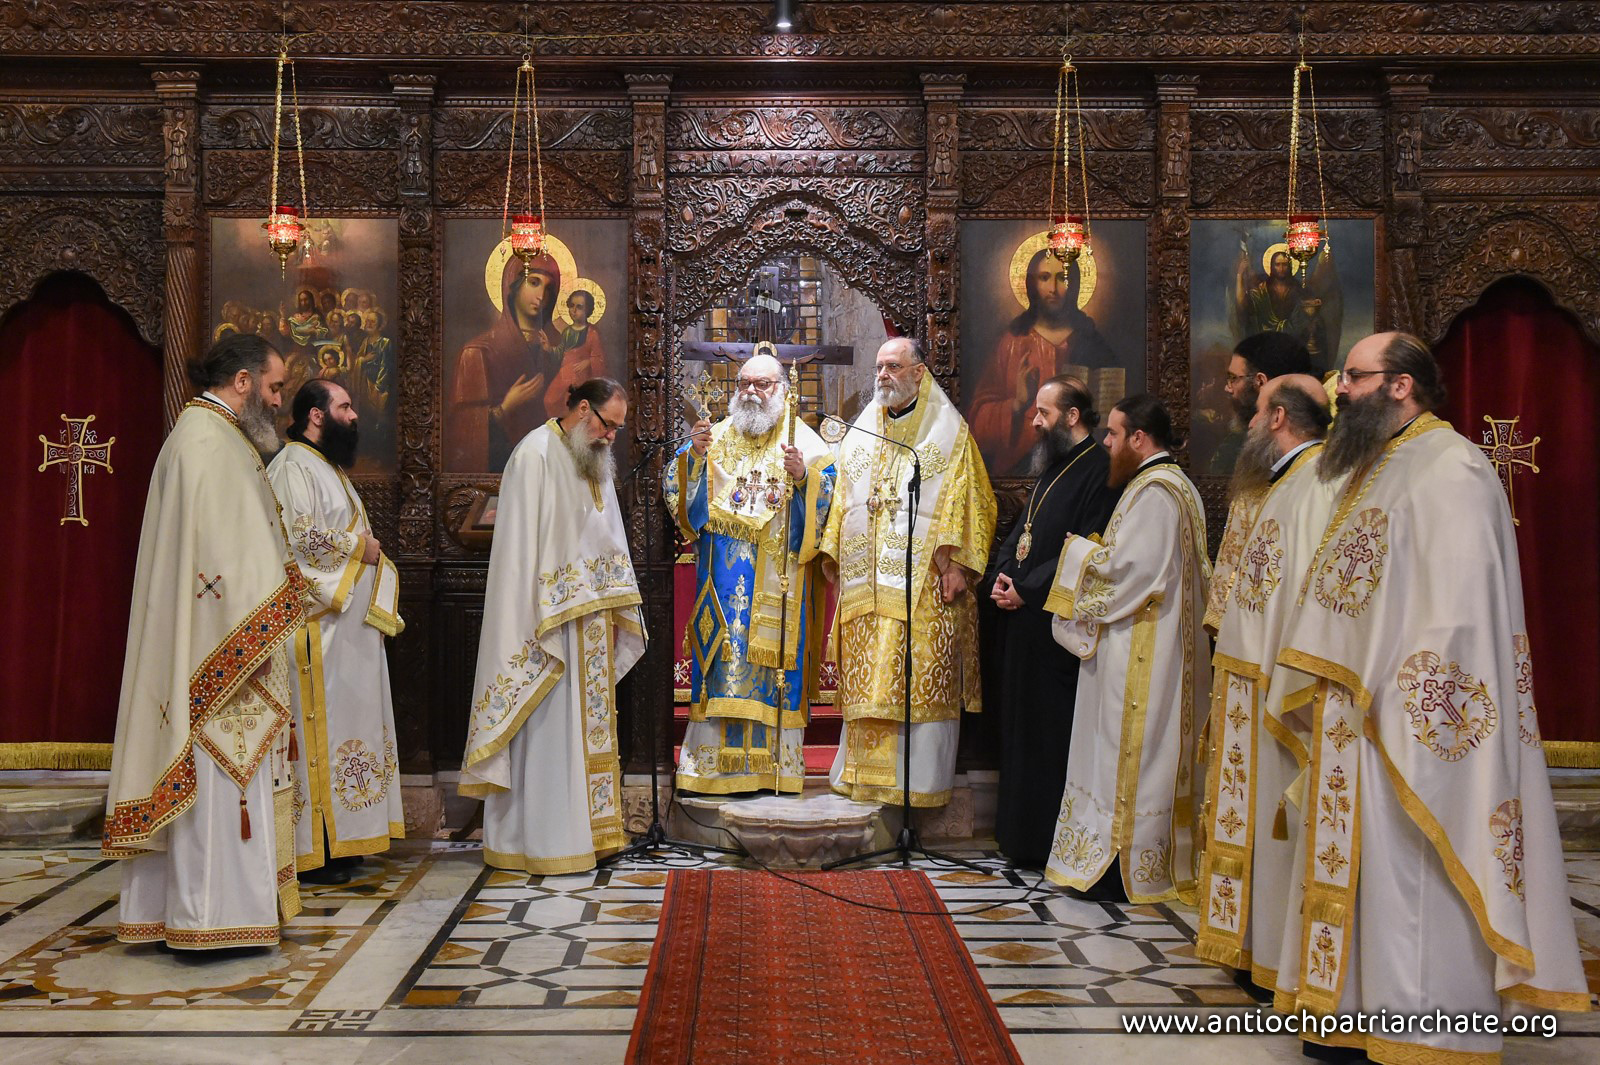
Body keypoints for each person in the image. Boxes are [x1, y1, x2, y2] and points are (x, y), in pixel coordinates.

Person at [1269, 333, 1587, 1062]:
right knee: (1369, 882)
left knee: (1415, 884)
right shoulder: (1382, 465)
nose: (1339, 388)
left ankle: (1425, 1032)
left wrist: (1396, 698)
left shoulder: (1452, 469)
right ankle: (1346, 1015)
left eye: (1353, 375)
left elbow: (1459, 612)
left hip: (1405, 719)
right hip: (1356, 714)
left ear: (1402, 385)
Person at [103, 333, 305, 948]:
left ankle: (206, 915)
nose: (277, 402)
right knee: (218, 790)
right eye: (273, 388)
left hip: (212, 647)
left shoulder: (210, 437)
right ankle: (212, 918)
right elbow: (227, 567)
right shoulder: (207, 442)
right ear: (241, 382)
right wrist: (286, 597)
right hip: (217, 660)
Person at [460, 378, 646, 873]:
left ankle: (590, 832)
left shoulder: (593, 458)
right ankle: (541, 840)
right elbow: (520, 553)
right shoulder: (534, 455)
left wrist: (610, 604)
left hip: (590, 622)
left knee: (585, 733)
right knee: (547, 733)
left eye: (618, 430)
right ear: (583, 409)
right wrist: (542, 607)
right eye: (608, 424)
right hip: (544, 624)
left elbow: (607, 540)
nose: (612, 437)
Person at [1193, 375, 1334, 988]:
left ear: (1278, 417)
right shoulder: (1291, 483)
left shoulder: (1315, 484)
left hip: (1279, 689)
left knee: (1275, 824)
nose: (1247, 424)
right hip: (1255, 684)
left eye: (1255, 413)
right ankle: (1254, 947)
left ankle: (1273, 955)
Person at [1044, 394, 1209, 902]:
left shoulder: (1157, 491)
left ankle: (1119, 862)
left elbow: (1129, 574)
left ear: (1140, 439)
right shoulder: (1170, 486)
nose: (1107, 444)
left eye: (1113, 435)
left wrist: (1077, 553)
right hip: (1152, 645)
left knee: (1127, 755)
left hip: (1142, 653)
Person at [822, 338, 996, 807]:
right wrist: (836, 557)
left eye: (893, 366)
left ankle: (917, 787)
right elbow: (844, 499)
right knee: (870, 680)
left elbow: (975, 499)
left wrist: (959, 565)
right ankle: (864, 779)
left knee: (917, 679)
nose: (882, 375)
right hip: (868, 588)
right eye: (878, 367)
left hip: (924, 585)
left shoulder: (948, 431)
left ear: (919, 372)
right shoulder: (863, 431)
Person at [664, 353, 836, 794]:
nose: (752, 392)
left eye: (762, 384)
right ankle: (712, 771)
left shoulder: (806, 444)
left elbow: (829, 500)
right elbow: (679, 499)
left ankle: (775, 771)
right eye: (744, 383)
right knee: (722, 663)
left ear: (782, 389)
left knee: (773, 665)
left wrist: (802, 480)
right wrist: (694, 460)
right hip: (721, 585)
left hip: (779, 585)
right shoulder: (714, 438)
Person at [267, 379, 404, 887]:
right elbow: (294, 540)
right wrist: (356, 549)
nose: (354, 415)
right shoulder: (290, 468)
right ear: (316, 415)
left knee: (352, 735)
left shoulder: (326, 468)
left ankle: (344, 839)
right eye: (344, 406)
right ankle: (317, 848)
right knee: (321, 737)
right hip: (317, 638)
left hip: (348, 638)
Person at [984, 375, 1117, 866]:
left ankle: (1042, 842)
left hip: (1054, 626)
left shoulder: (1099, 473)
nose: (1034, 421)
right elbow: (1020, 531)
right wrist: (1002, 576)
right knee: (1019, 730)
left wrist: (1029, 589)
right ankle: (1016, 839)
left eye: (1043, 412)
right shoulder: (1052, 467)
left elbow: (1090, 547)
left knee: (1047, 735)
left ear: (1072, 416)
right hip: (1020, 620)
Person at [967, 247, 1116, 475]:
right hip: (1020, 463)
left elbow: (1112, 410)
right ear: (1031, 284)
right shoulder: (1011, 342)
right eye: (1044, 278)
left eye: (1062, 279)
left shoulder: (1093, 342)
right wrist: (1016, 404)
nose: (1053, 289)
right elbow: (978, 422)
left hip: (1080, 463)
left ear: (1075, 284)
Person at [1205, 331, 1315, 622]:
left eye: (1233, 378)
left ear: (1261, 382)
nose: (1228, 389)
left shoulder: (1308, 465)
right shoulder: (1255, 447)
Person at [447, 252, 562, 471]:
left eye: (548, 288)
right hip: (502, 465)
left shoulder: (560, 349)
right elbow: (460, 429)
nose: (541, 295)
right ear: (513, 285)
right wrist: (504, 408)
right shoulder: (477, 351)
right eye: (534, 282)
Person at [544, 289, 606, 417]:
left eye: (579, 307)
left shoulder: (592, 332)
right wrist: (549, 348)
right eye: (571, 306)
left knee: (574, 404)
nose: (574, 310)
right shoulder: (567, 331)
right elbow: (561, 352)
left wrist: (588, 362)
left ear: (588, 310)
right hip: (565, 373)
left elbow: (599, 357)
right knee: (550, 400)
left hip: (582, 374)